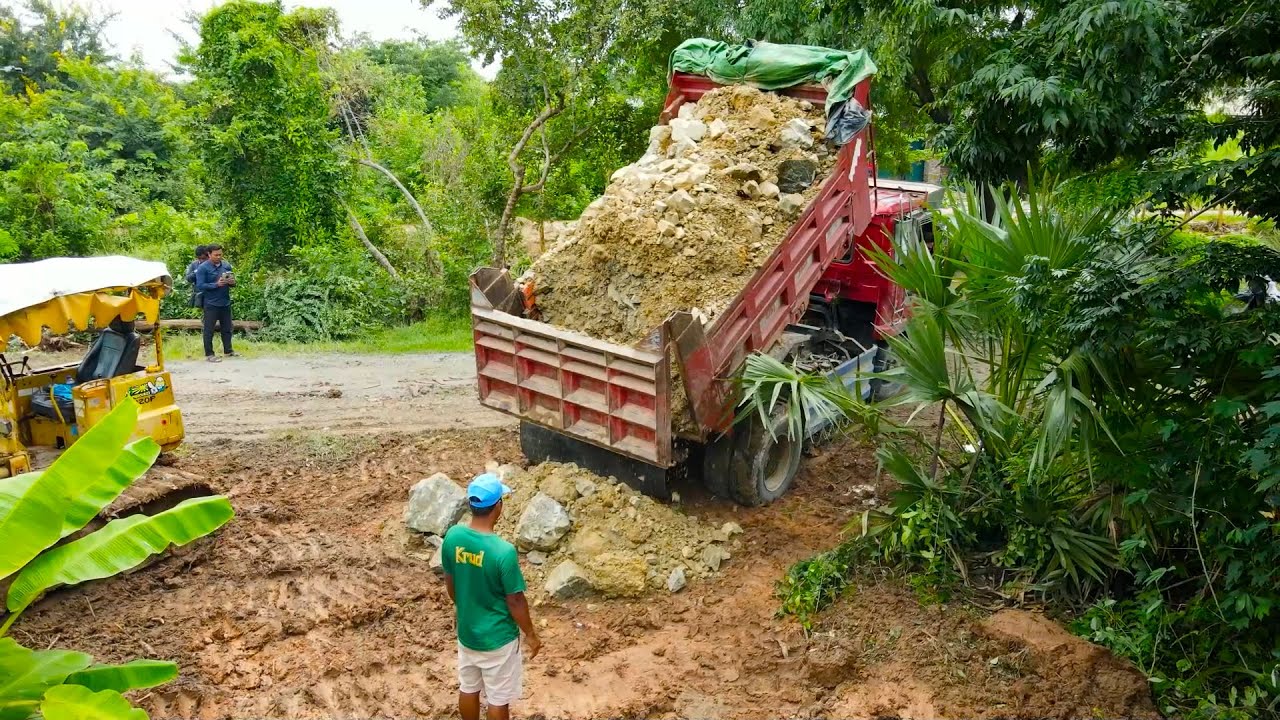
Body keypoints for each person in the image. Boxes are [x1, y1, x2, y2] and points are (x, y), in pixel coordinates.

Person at [442, 474, 541, 720]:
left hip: (468, 633)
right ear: (498, 506)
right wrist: (530, 634)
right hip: (498, 639)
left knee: (468, 687)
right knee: (498, 699)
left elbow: (450, 583)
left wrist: (466, 609)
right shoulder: (503, 552)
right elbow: (515, 600)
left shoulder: (453, 537)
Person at [194, 244, 236, 362]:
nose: (218, 257)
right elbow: (200, 285)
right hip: (211, 303)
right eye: (216, 255)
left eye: (220, 254)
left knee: (227, 328)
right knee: (209, 329)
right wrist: (216, 285)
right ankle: (209, 354)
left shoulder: (226, 266)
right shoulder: (203, 268)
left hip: (225, 302)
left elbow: (233, 284)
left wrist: (232, 282)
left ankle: (228, 350)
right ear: (209, 254)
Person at [185, 245, 209, 309]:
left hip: (210, 293)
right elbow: (188, 278)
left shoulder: (212, 264)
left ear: (208, 256)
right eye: (199, 258)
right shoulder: (194, 264)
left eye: (203, 258)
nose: (201, 261)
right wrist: (197, 272)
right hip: (199, 293)